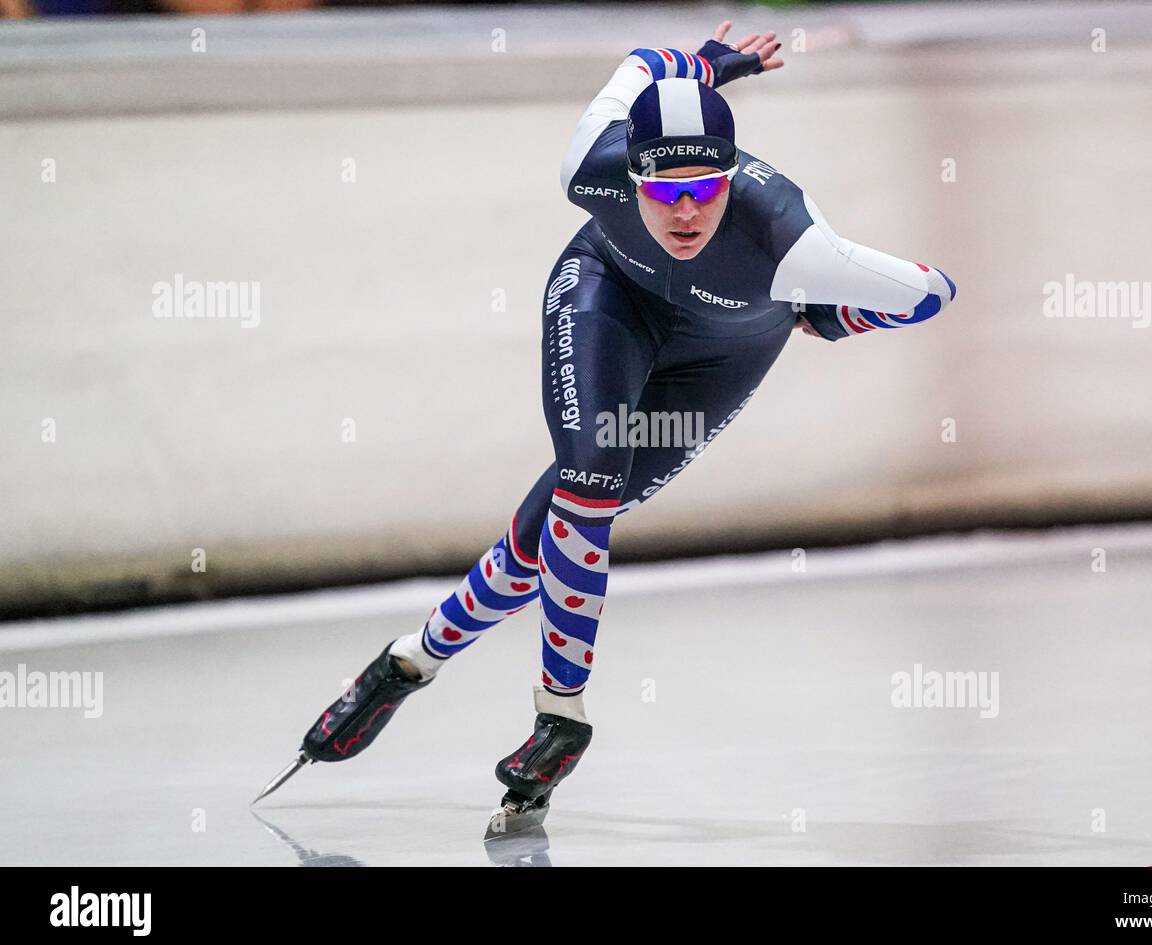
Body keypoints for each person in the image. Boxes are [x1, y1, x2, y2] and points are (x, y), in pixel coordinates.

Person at [276, 21, 955, 824]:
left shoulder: (792, 240)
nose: (686, 211)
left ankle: (408, 662)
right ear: (627, 178)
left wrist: (834, 317)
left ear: (733, 176)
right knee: (587, 487)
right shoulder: (586, 169)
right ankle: (562, 716)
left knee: (542, 535)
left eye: (706, 188)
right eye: (664, 192)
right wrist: (712, 64)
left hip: (721, 358)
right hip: (609, 298)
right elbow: (643, 64)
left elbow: (930, 290)